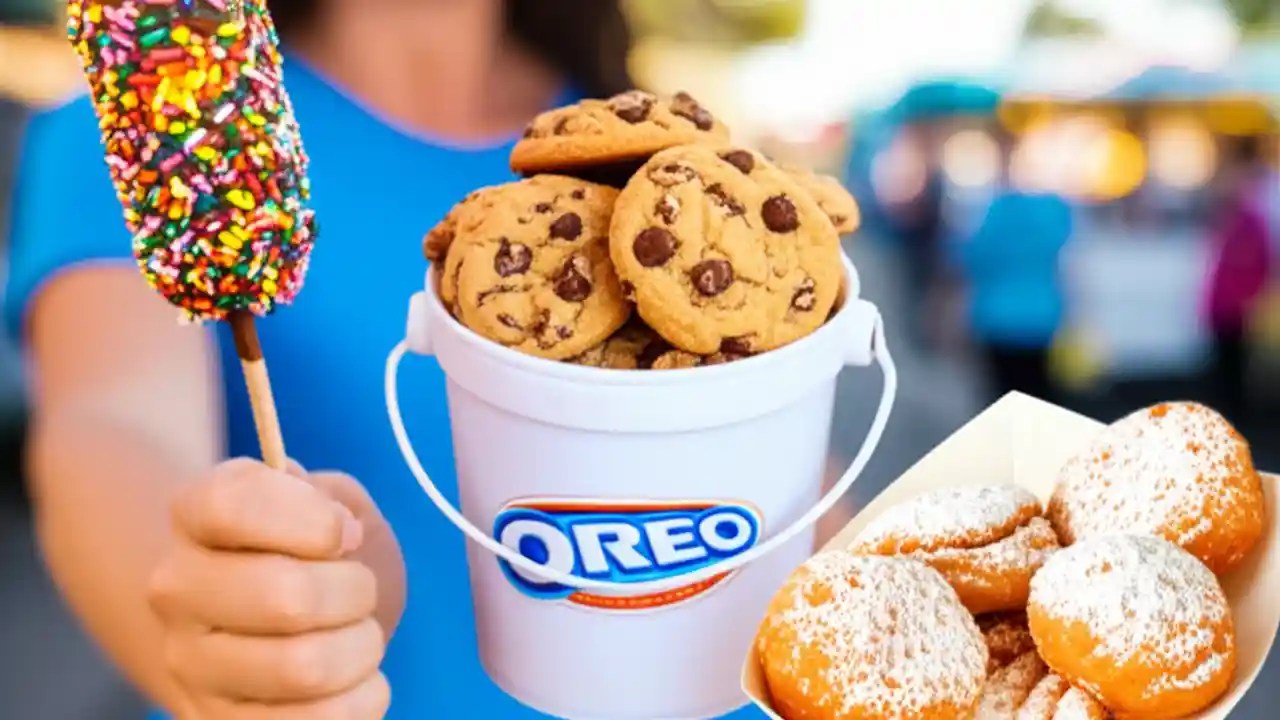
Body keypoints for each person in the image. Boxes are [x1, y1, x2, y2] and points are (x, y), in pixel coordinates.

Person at [0, 1, 753, 718]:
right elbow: (114, 422)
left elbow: (787, 480)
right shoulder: (174, 119)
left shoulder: (654, 161)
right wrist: (214, 630)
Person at [958, 128, 1073, 405]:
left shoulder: (992, 211)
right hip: (1041, 318)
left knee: (1001, 399)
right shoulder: (1055, 209)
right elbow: (1067, 263)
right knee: (1039, 398)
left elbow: (971, 260)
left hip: (997, 319)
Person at [1202, 135, 1273, 423]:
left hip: (1236, 307)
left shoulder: (1248, 220)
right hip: (1224, 306)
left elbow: (1259, 265)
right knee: (1226, 369)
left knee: (1233, 371)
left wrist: (1250, 299)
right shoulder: (1232, 218)